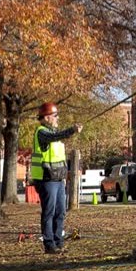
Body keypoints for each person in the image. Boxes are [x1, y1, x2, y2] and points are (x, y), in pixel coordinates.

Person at [30, 101, 82, 254]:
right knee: (49, 212)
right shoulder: (42, 132)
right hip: (47, 179)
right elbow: (56, 136)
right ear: (46, 118)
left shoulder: (53, 134)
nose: (58, 118)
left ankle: (59, 242)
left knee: (61, 212)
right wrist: (72, 130)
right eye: (55, 115)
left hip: (58, 179)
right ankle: (49, 244)